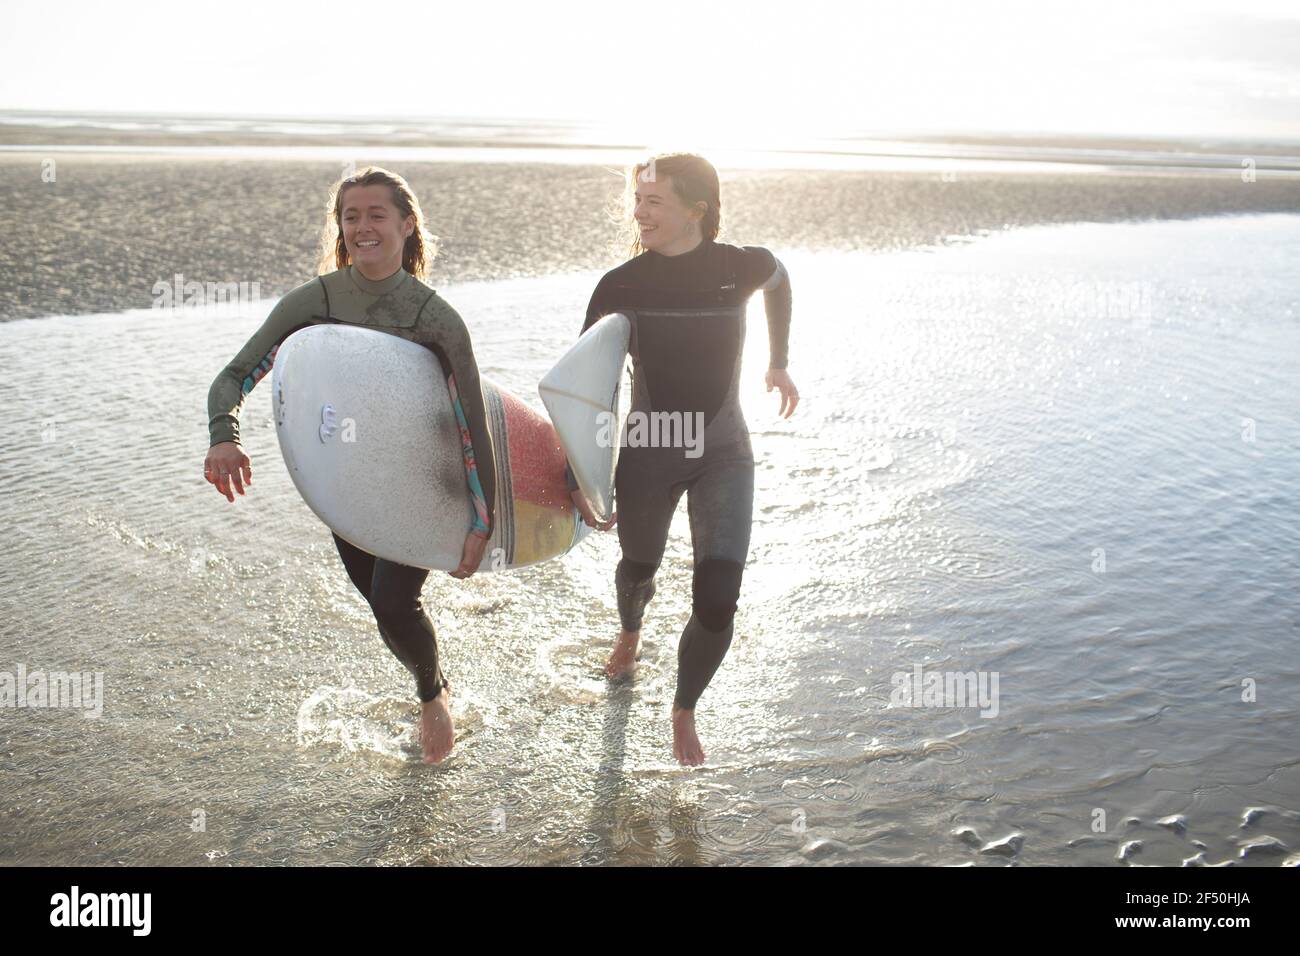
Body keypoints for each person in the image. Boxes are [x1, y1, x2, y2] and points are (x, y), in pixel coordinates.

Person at [202, 166, 496, 764]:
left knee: (393, 601)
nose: (363, 228)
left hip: (421, 482)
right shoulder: (318, 302)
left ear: (408, 224)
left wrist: (479, 517)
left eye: (377, 215)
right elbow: (236, 376)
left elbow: (472, 425)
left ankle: (431, 697)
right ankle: (436, 681)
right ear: (340, 226)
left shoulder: (435, 317)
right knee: (380, 603)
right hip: (347, 487)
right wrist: (223, 438)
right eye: (351, 216)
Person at [567, 152, 799, 765]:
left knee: (719, 599)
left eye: (654, 201)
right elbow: (586, 388)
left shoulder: (739, 266)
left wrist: (777, 360)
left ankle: (683, 708)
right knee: (638, 569)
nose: (639, 213)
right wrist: (582, 477)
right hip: (649, 451)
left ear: (697, 208)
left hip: (725, 450)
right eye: (637, 200)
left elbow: (780, 280)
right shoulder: (620, 285)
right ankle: (630, 632)